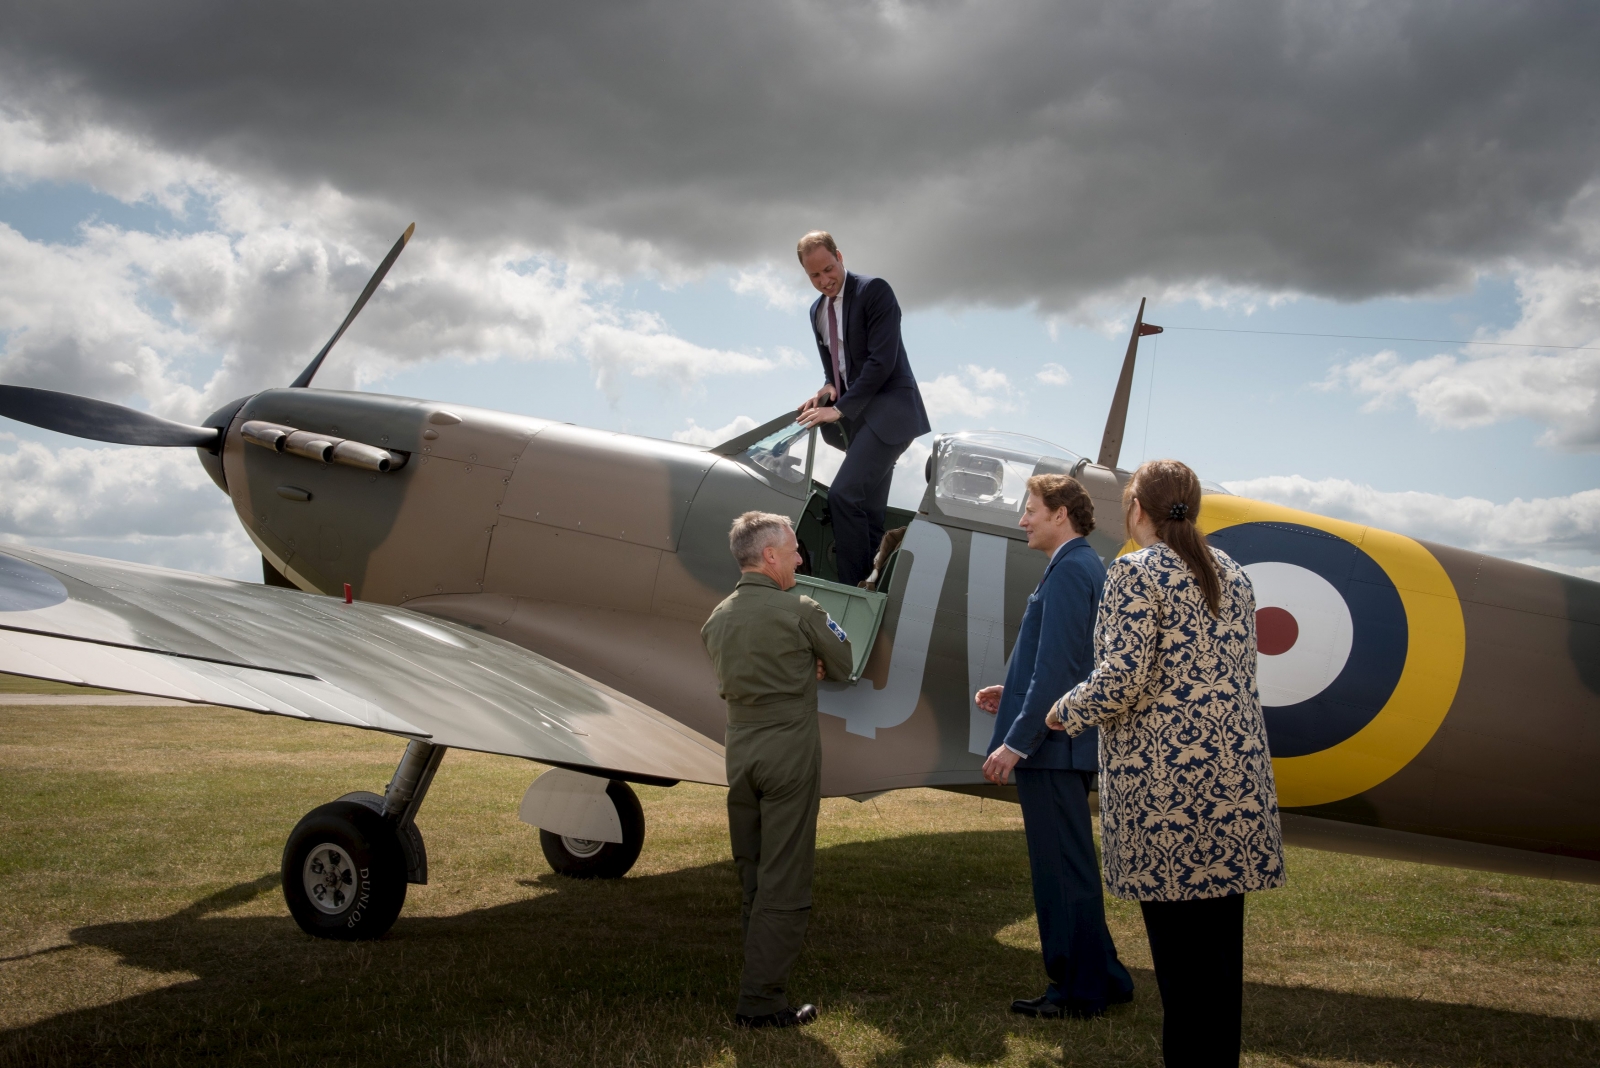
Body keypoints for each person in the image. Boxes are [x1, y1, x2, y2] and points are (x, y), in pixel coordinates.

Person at [1046, 459, 1285, 1068]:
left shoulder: (1135, 571)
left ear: (1136, 509)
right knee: (1217, 972)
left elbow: (1121, 681)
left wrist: (1061, 711)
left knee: (1180, 974)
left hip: (1168, 798)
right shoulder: (1232, 572)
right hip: (1233, 791)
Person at [974, 474, 1134, 1019]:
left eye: (1031, 510)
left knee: (1061, 871)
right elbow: (1063, 664)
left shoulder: (1070, 570)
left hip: (1054, 747)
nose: (1023, 520)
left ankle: (1077, 990)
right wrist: (1011, 689)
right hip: (1061, 742)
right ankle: (1105, 975)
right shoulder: (1079, 565)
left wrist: (1016, 743)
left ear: (1061, 513)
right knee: (1072, 865)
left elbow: (1061, 668)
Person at [700, 511, 855, 1028]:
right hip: (789, 753)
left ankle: (755, 970)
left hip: (740, 753)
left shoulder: (717, 618)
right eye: (792, 550)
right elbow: (844, 661)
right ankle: (762, 1000)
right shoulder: (802, 609)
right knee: (784, 879)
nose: (800, 558)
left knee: (753, 871)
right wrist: (810, 660)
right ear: (769, 556)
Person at [794, 230, 930, 587]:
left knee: (842, 495)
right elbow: (835, 367)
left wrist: (839, 410)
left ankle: (851, 591)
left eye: (828, 269)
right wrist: (827, 388)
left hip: (890, 415)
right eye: (815, 276)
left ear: (839, 256)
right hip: (861, 422)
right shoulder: (816, 312)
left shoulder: (874, 291)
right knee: (868, 511)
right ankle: (876, 584)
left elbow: (881, 362)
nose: (824, 280)